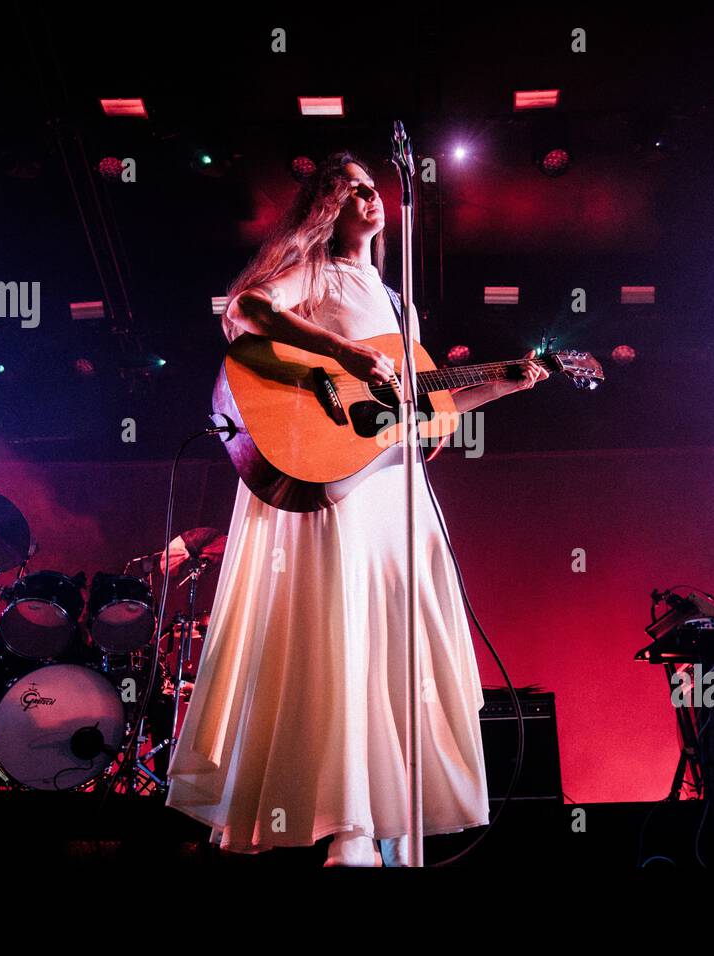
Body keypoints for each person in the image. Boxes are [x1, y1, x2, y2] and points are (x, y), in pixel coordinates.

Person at [165, 150, 548, 866]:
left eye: (377, 187)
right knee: (342, 631)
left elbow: (428, 407)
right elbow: (245, 313)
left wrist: (507, 383)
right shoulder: (316, 271)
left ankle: (392, 814)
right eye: (355, 189)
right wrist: (340, 347)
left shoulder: (398, 300)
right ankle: (347, 822)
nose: (373, 198)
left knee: (396, 642)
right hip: (337, 480)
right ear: (328, 205)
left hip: (394, 487)